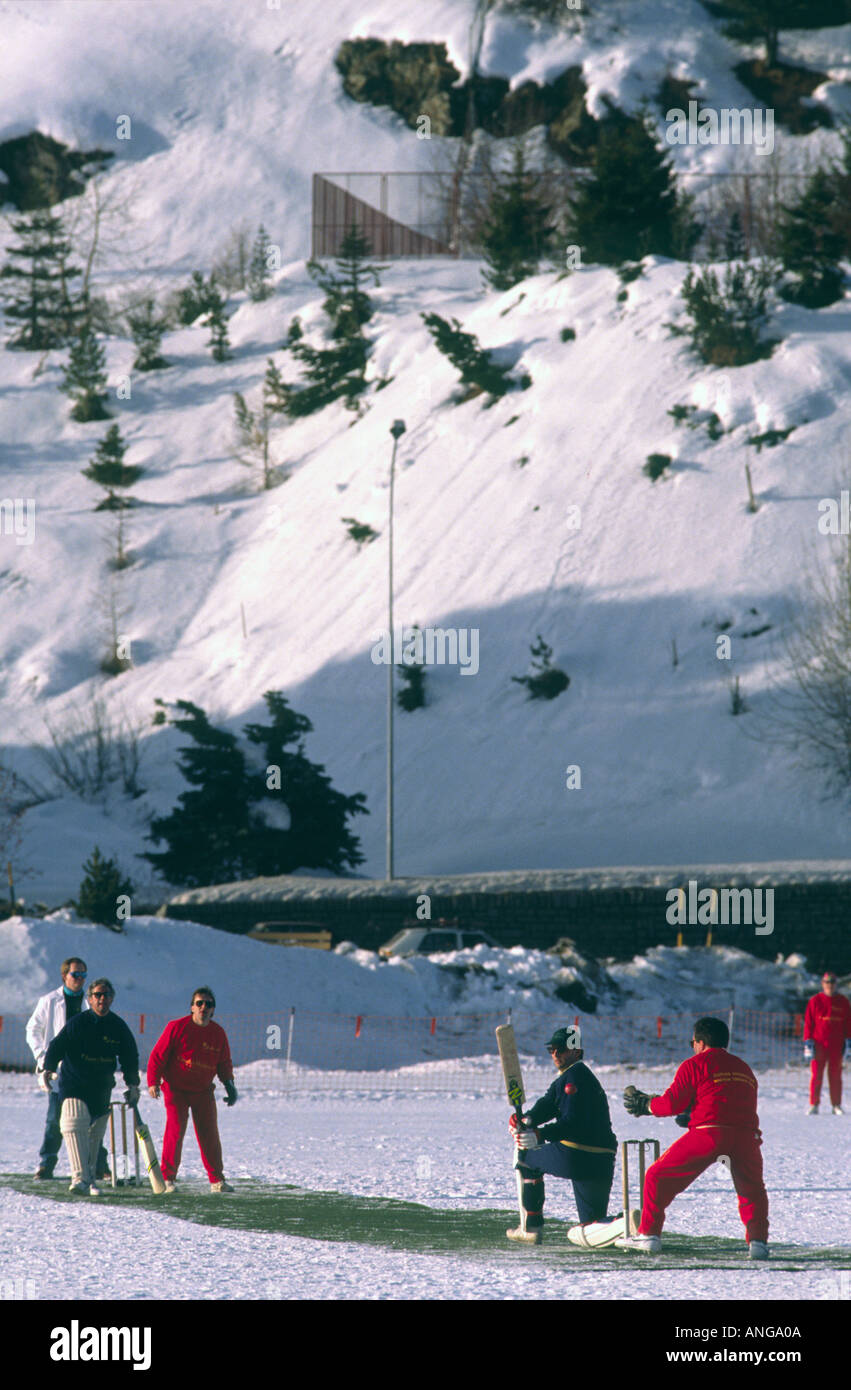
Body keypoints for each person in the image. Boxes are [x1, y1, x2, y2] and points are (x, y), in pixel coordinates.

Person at [614, 1015, 769, 1259]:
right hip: (746, 1137)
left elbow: (671, 1104)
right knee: (752, 1191)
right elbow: (726, 1101)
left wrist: (646, 1105)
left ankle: (649, 1235)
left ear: (700, 1042)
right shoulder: (744, 1068)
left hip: (708, 1134)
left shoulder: (695, 1064)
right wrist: (694, 1113)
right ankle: (758, 1243)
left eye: (692, 1043)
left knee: (657, 1175)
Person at [506, 1024, 617, 1245]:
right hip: (603, 1160)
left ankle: (531, 1228)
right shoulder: (573, 1076)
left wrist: (539, 1135)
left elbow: (572, 1124)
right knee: (592, 1225)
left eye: (561, 1049)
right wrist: (527, 1120)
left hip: (577, 1155)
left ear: (576, 1051)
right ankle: (621, 1225)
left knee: (526, 1159)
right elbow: (548, 1104)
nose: (555, 1054)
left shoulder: (573, 1080)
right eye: (552, 1049)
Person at [40, 978, 140, 1196]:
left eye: (106, 995)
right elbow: (57, 1046)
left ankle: (90, 1177)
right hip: (74, 1083)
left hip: (101, 1087)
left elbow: (130, 1057)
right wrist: (46, 1070)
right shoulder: (78, 1023)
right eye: (97, 995)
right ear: (90, 999)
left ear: (112, 998)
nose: (102, 999)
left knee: (95, 1134)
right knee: (73, 1124)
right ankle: (79, 1179)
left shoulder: (118, 1026)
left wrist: (133, 1084)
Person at [146, 986, 237, 1194]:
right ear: (192, 1008)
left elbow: (224, 1063)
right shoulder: (176, 1027)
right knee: (176, 1128)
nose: (204, 1007)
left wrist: (229, 1084)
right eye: (199, 1003)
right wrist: (153, 1081)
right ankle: (167, 1178)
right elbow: (157, 1056)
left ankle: (217, 1180)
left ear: (213, 1010)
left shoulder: (218, 1033)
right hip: (175, 1088)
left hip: (203, 1090)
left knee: (209, 1133)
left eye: (209, 1004)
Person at [25, 957, 107, 1182]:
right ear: (64, 976)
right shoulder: (49, 1001)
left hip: (87, 1070)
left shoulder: (93, 1001)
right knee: (55, 1119)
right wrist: (43, 1058)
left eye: (83, 975)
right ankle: (46, 1164)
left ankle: (100, 1165)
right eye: (75, 974)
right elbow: (33, 1029)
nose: (79, 979)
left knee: (93, 1119)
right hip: (60, 1072)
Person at [804, 971, 851, 1115]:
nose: (829, 986)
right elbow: (808, 1022)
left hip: (836, 1046)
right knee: (817, 1075)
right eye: (827, 983)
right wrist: (807, 1042)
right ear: (822, 984)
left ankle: (836, 1104)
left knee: (836, 1075)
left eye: (832, 983)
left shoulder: (843, 1002)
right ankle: (814, 1104)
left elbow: (848, 1023)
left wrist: (849, 1042)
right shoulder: (815, 1001)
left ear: (836, 985)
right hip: (819, 1044)